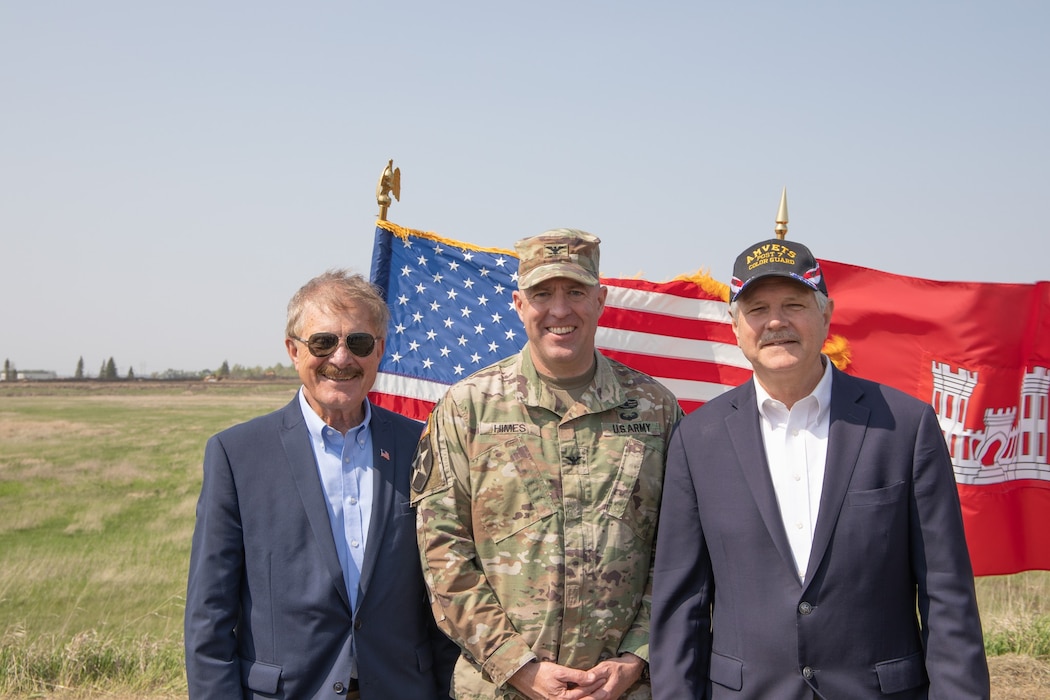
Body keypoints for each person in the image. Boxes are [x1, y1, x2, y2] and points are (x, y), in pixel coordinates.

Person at [650, 239, 990, 699]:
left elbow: (947, 596)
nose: (775, 322)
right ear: (734, 325)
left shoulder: (904, 427)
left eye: (794, 304)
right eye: (757, 308)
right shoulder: (697, 439)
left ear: (826, 314)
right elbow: (681, 608)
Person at [411, 230, 683, 700]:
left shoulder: (655, 409)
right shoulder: (467, 408)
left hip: (625, 690)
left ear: (600, 300)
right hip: (501, 689)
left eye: (575, 292)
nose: (560, 310)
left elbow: (679, 548)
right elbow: (443, 553)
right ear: (519, 304)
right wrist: (517, 666)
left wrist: (637, 655)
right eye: (542, 294)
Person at [185, 270, 458, 699]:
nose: (342, 358)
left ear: (380, 351)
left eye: (359, 343)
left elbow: (446, 593)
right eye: (323, 342)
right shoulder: (236, 455)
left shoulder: (422, 446)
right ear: (293, 350)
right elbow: (209, 614)